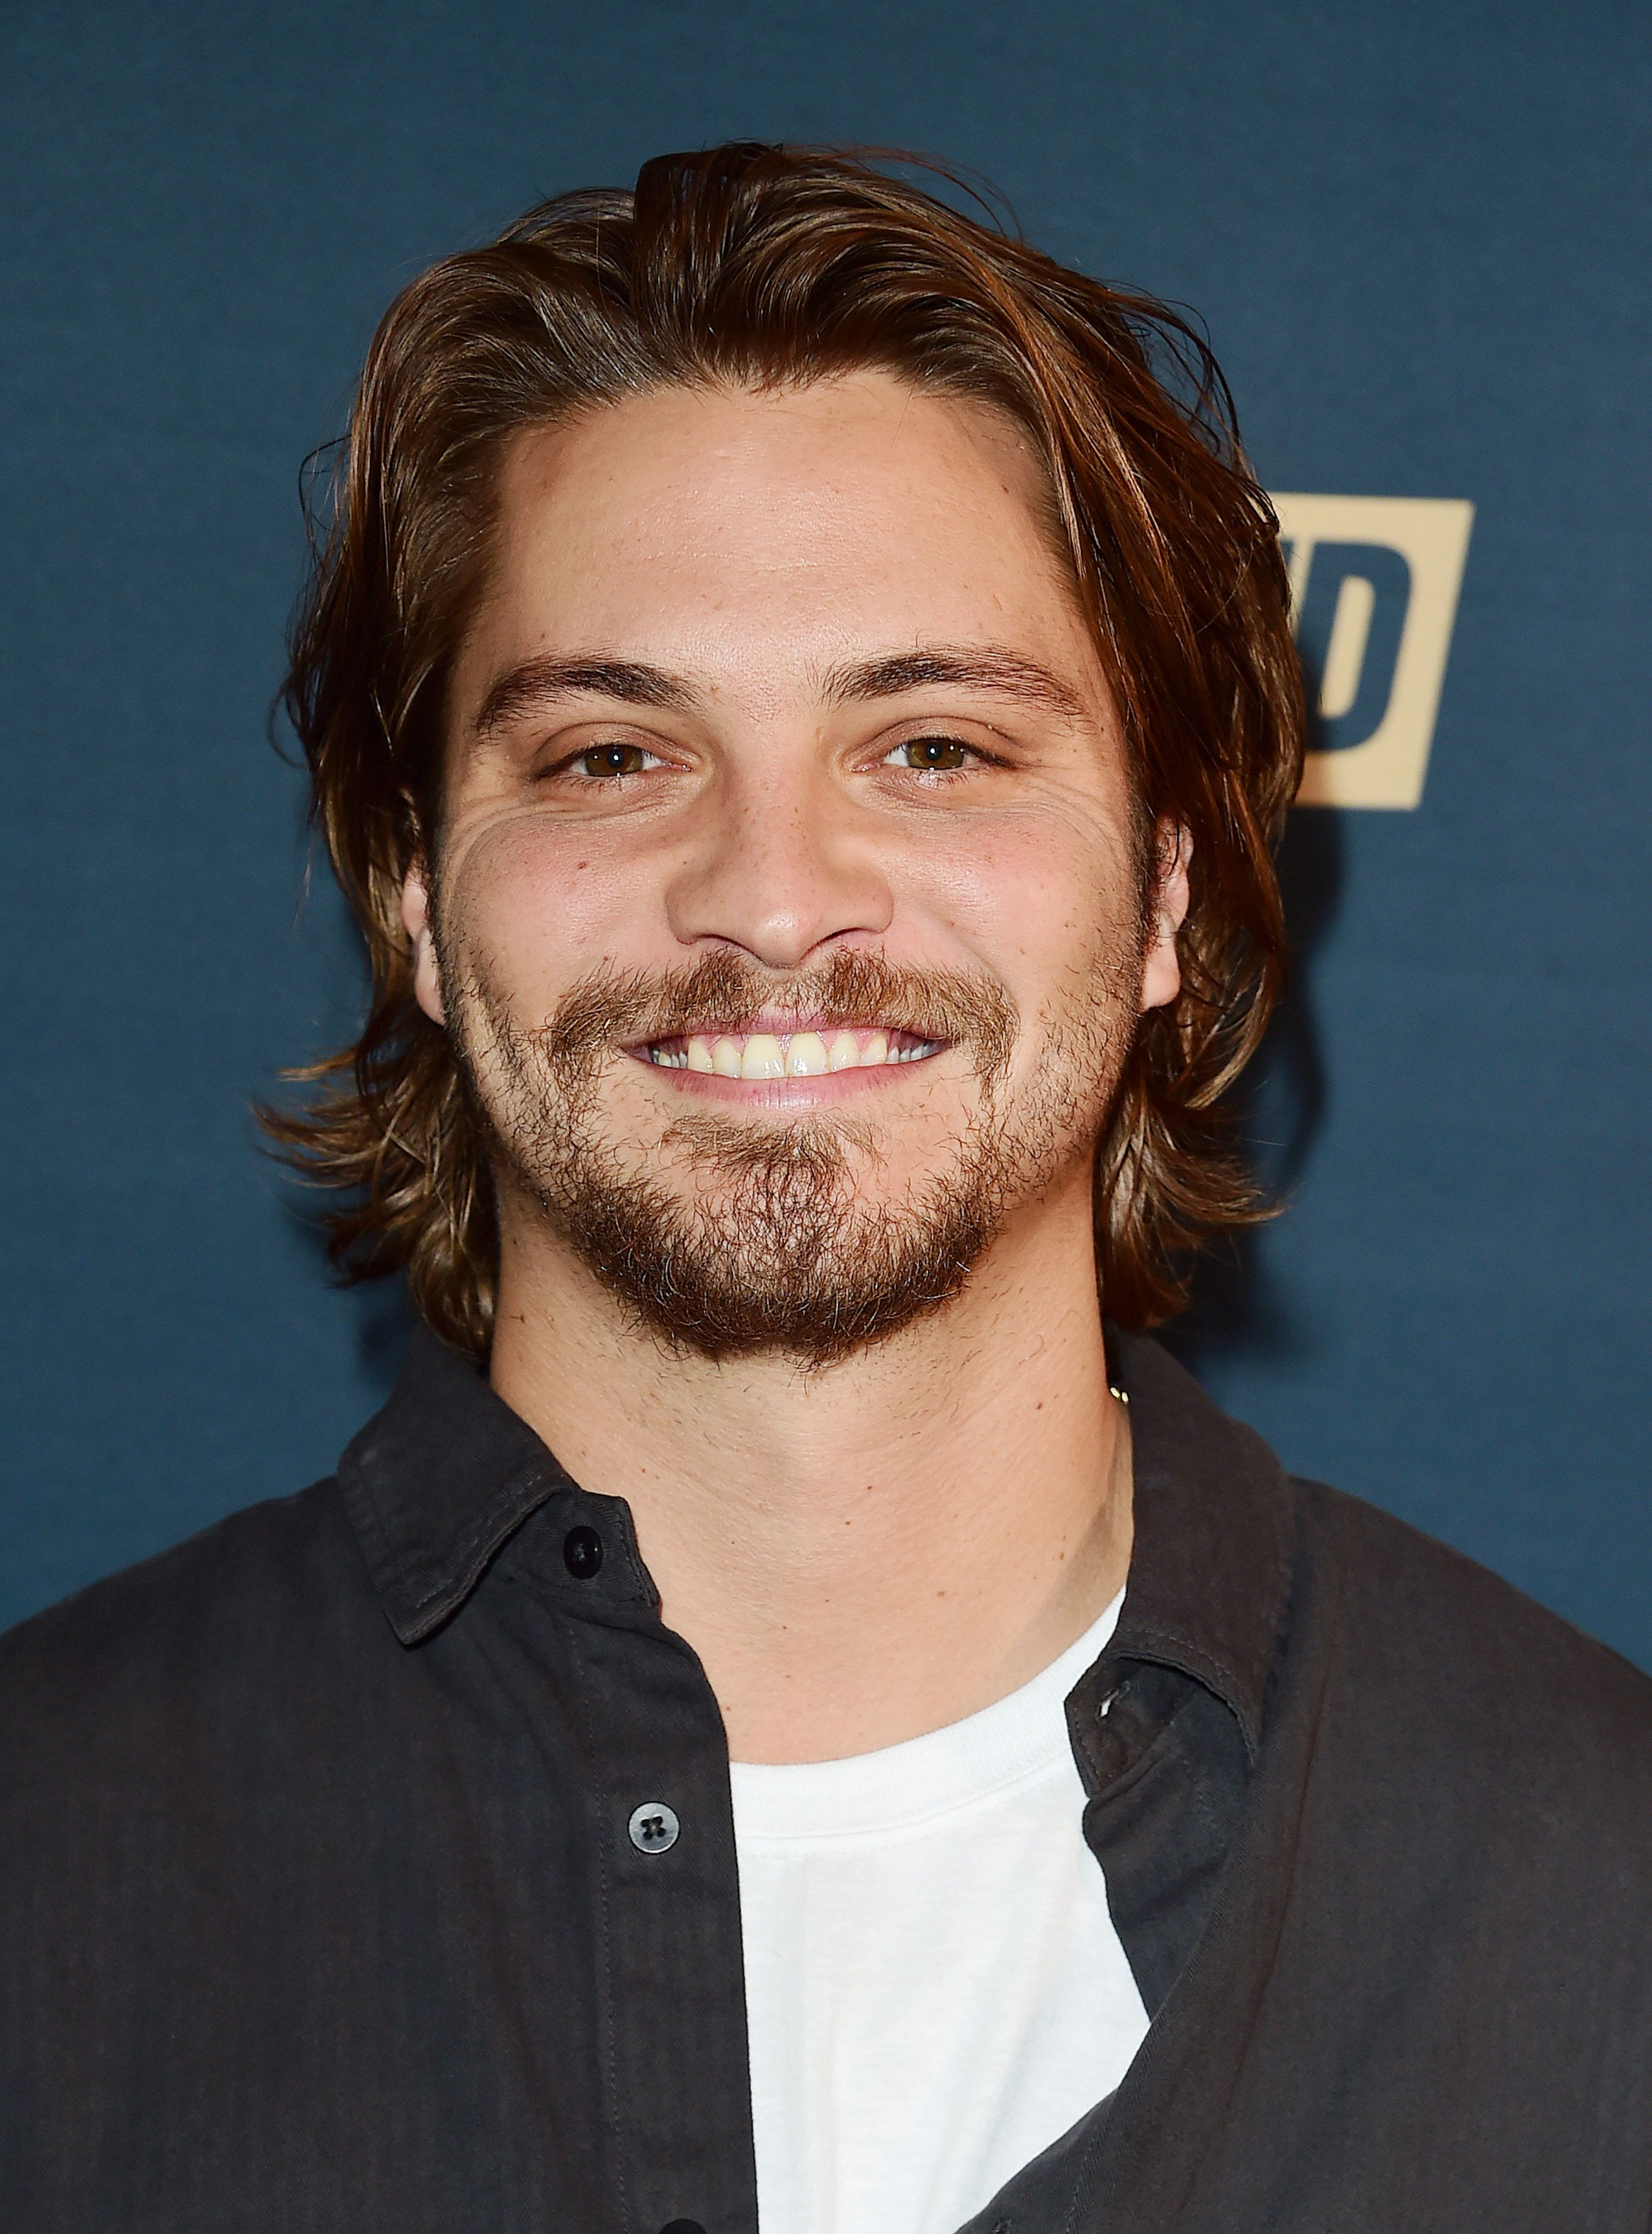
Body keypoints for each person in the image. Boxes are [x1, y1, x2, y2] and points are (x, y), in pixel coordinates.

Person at [3, 141, 1649, 2234]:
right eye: (613, 753)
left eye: (935, 748)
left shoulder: (1596, 1894)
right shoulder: (46, 1865)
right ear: (415, 895)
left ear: (1164, 888)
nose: (774, 898)